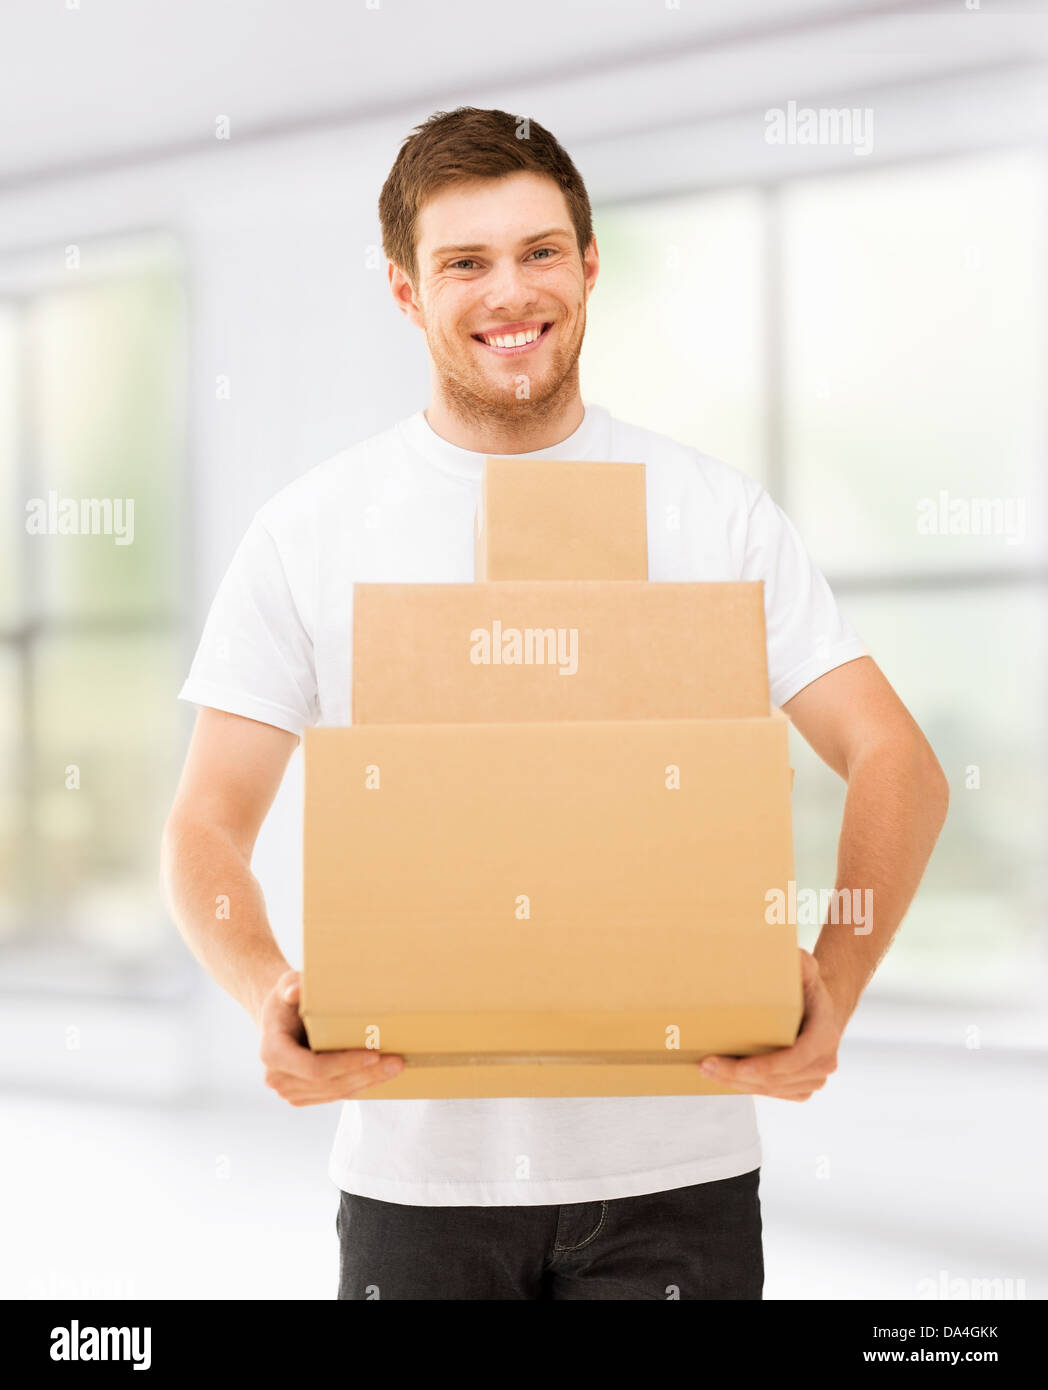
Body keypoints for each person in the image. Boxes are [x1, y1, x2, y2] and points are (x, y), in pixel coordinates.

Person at [160, 107, 949, 1301]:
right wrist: (266, 985)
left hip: (674, 1174)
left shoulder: (711, 513)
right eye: (462, 263)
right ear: (404, 291)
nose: (508, 293)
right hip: (417, 1180)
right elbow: (203, 825)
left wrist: (832, 984)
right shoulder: (314, 528)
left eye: (538, 252)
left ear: (588, 264)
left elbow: (897, 760)